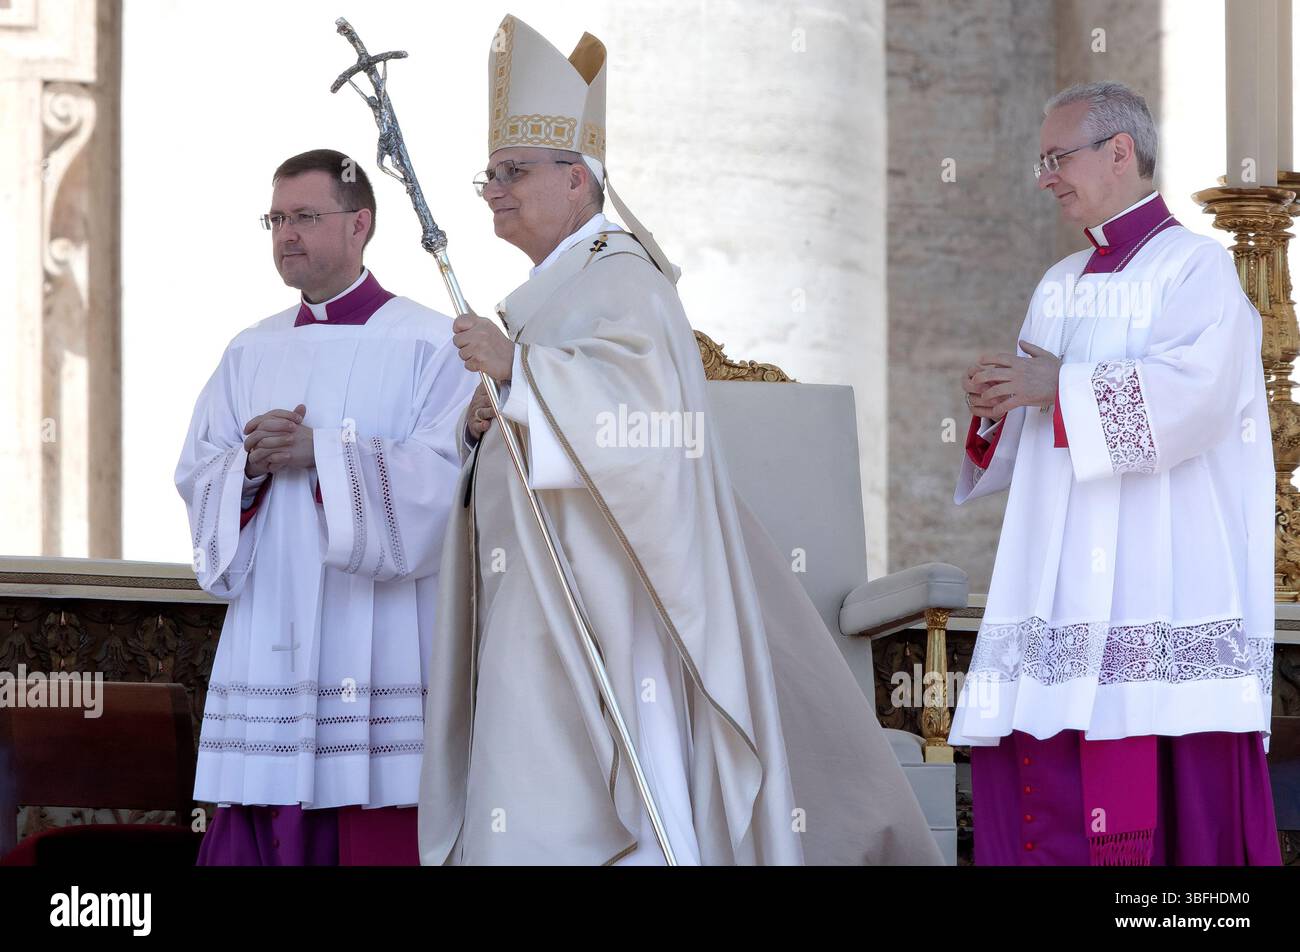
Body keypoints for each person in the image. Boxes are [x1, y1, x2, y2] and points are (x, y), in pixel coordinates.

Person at [417, 14, 944, 866]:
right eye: (489, 174)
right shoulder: (548, 292)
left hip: (619, 617)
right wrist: (482, 420)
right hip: (534, 605)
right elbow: (528, 433)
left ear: (581, 180)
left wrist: (521, 373)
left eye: (513, 171)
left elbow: (652, 439)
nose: (492, 190)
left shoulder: (626, 281)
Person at [954, 82, 1280, 865]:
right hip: (1058, 585)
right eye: (1043, 161)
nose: (1046, 177)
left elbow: (1194, 402)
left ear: (1121, 152)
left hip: (1156, 583)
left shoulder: (1196, 270)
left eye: (1057, 158)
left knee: (1151, 805)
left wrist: (1054, 388)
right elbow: (1033, 434)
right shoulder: (1059, 282)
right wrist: (998, 409)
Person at [175, 148, 477, 865]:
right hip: (271, 625)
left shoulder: (432, 343)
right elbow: (196, 472)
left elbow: (447, 484)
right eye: (276, 218)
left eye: (305, 217)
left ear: (360, 225)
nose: (286, 234)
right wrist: (247, 467)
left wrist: (325, 456)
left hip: (379, 631)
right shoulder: (250, 350)